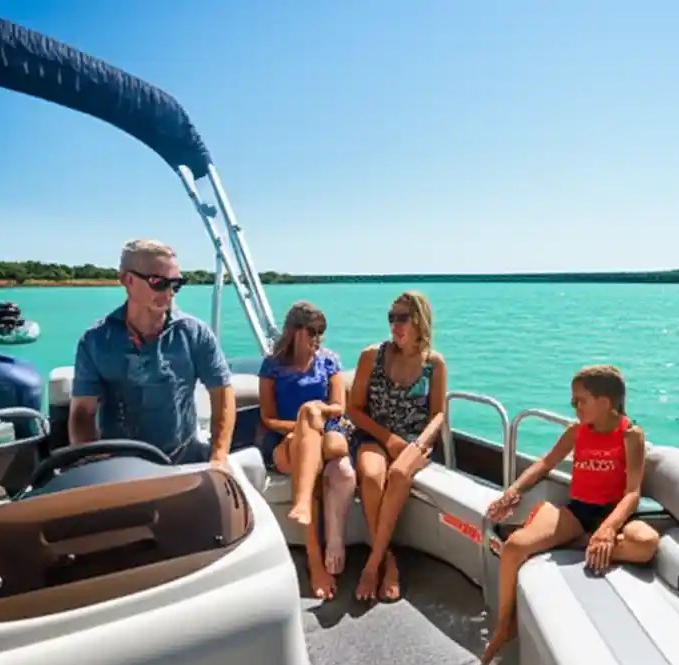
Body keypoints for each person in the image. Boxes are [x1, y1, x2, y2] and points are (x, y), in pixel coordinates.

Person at [480, 364, 661, 664]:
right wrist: (513, 492)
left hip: (614, 513)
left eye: (581, 400)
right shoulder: (576, 432)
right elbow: (545, 463)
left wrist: (608, 529)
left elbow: (632, 493)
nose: (574, 406)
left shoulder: (630, 434)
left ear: (605, 402)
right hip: (578, 510)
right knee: (513, 548)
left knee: (646, 543)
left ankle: (584, 542)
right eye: (573, 401)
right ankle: (504, 624)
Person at [70, 238, 234, 468]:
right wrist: (93, 466)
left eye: (175, 284)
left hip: (184, 462)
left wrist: (218, 457)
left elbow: (222, 394)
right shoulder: (95, 341)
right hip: (120, 467)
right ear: (127, 280)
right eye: (158, 282)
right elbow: (82, 414)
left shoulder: (195, 334)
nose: (169, 292)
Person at [347, 290, 447, 602]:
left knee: (401, 475)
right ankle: (387, 560)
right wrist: (388, 439)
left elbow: (438, 414)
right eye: (391, 318)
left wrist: (416, 445)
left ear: (419, 320)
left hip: (413, 441)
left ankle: (371, 565)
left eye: (402, 318)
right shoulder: (371, 356)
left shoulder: (434, 363)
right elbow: (354, 409)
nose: (394, 325)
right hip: (374, 435)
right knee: (372, 475)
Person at [257, 301, 357, 599]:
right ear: (294, 331)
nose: (318, 338)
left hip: (330, 436)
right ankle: (316, 562)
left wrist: (314, 414)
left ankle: (301, 504)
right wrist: (302, 427)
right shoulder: (272, 366)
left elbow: (339, 407)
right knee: (312, 445)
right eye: (312, 331)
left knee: (312, 417)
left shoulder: (329, 361)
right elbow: (268, 418)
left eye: (321, 332)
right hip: (287, 442)